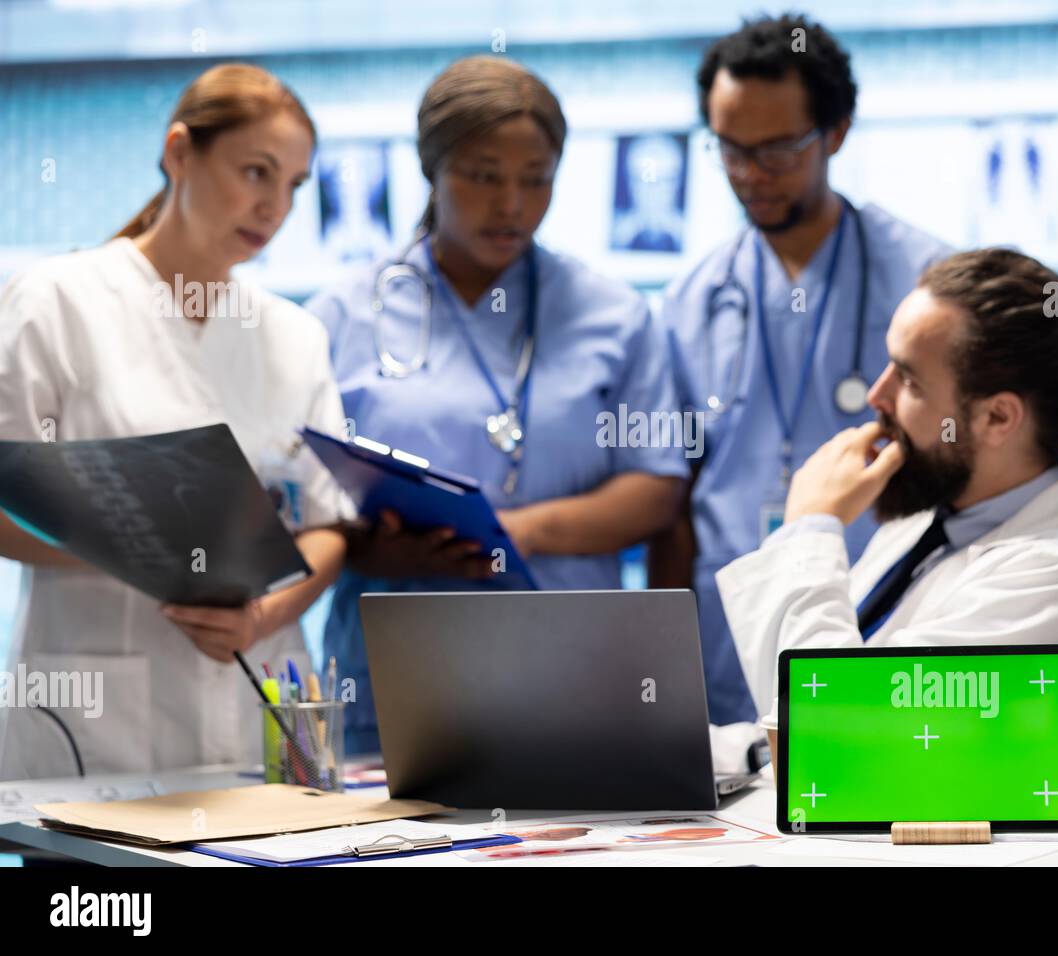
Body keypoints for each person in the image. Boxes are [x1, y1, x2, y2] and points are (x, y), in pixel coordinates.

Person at [306, 56, 687, 754]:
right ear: (431, 169)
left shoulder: (614, 316)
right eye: (483, 175)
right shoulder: (341, 318)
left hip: (574, 671)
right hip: (395, 672)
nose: (511, 203)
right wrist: (371, 546)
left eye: (535, 179)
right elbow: (296, 503)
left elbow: (655, 489)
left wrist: (515, 533)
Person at [0, 64, 350, 779]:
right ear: (179, 152)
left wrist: (261, 616)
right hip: (97, 727)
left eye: (293, 185)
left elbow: (329, 524)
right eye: (256, 171)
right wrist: (153, 554)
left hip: (261, 708)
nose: (274, 206)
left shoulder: (294, 335)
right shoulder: (57, 302)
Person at [716, 248, 1058, 813]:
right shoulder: (927, 528)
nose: (877, 396)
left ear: (998, 417)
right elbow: (780, 741)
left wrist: (809, 529)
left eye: (910, 381)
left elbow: (835, 753)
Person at [650, 13, 951, 728]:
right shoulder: (692, 300)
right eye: (730, 149)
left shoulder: (927, 282)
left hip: (889, 638)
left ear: (837, 132)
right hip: (730, 659)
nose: (751, 174)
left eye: (779, 150)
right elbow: (674, 508)